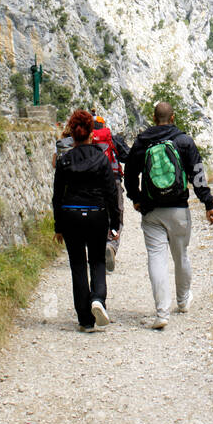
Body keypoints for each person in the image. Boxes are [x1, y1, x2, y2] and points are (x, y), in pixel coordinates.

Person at [124, 101, 213, 329]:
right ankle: (183, 301)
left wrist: (136, 198)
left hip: (152, 211)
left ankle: (162, 313)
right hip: (178, 209)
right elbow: (197, 173)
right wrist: (208, 203)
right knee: (181, 255)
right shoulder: (183, 140)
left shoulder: (143, 141)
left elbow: (129, 174)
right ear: (172, 117)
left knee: (156, 259)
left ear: (153, 118)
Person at [52, 108, 121, 332]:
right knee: (98, 261)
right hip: (96, 214)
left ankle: (85, 319)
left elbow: (57, 196)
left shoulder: (64, 160)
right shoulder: (101, 159)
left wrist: (58, 226)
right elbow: (111, 193)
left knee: (78, 265)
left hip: (70, 214)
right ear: (92, 133)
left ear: (72, 133)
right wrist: (114, 223)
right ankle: (98, 299)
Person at [91, 116, 125, 272]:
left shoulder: (87, 139)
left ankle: (97, 250)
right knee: (116, 215)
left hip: (92, 184)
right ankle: (111, 245)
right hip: (113, 181)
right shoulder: (112, 138)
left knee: (96, 215)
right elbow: (127, 155)